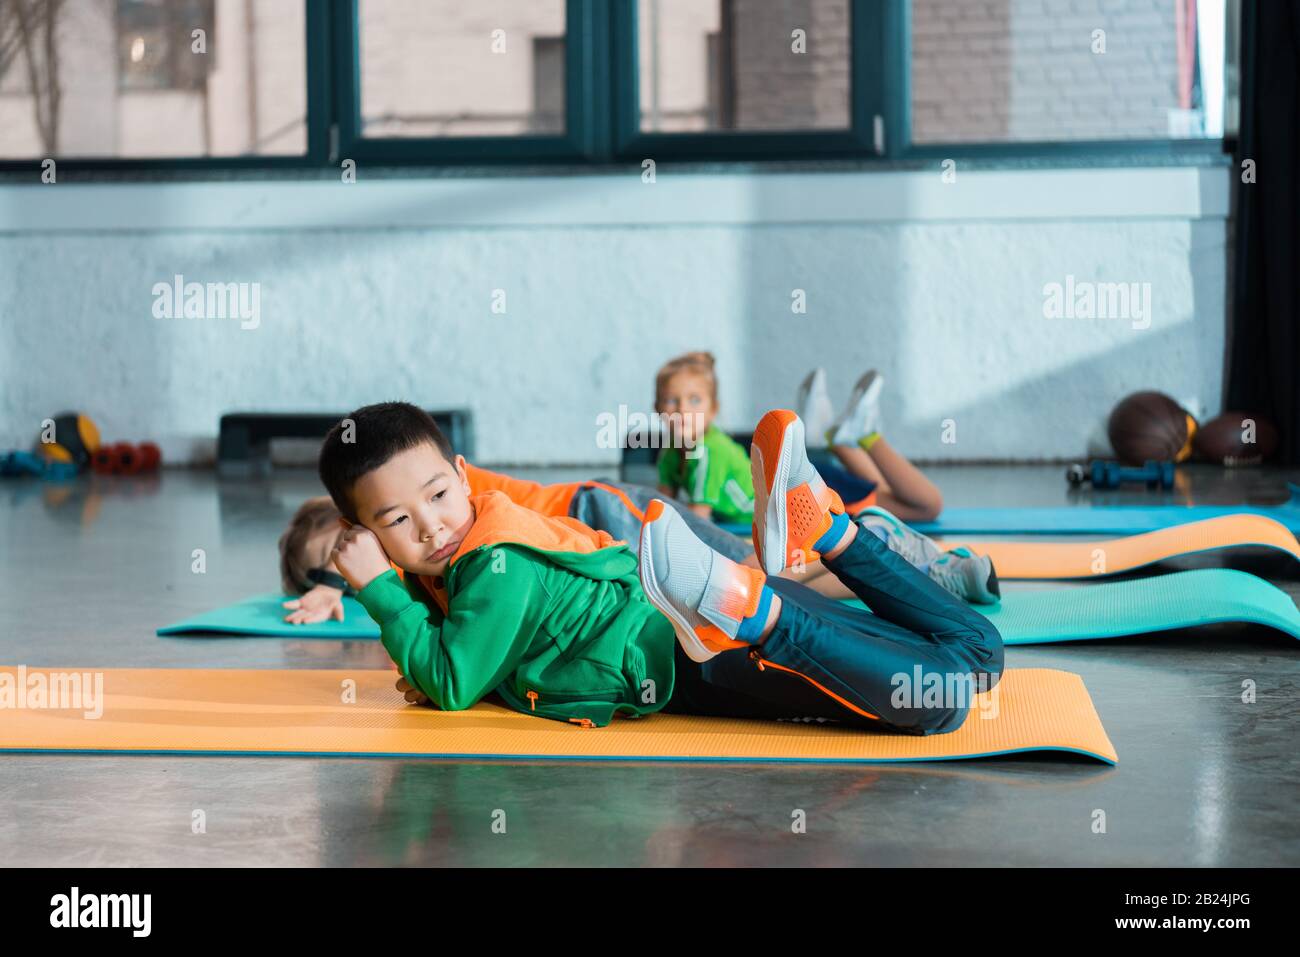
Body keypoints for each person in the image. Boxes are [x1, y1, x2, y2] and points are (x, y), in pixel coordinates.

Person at [320, 402, 1003, 734]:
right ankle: (830, 530)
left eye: (438, 496)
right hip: (686, 624)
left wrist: (378, 588)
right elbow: (446, 654)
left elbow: (451, 683)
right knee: (978, 655)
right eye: (398, 521)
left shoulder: (495, 563)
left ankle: (752, 607)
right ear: (370, 532)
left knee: (940, 701)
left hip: (693, 658)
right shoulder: (469, 550)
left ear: (464, 476)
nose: (433, 524)